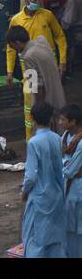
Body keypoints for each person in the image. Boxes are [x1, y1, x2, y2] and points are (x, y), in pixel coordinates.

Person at [21, 99, 66, 258]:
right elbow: (61, 168)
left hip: (40, 196)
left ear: (33, 118)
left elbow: (31, 175)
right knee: (55, 238)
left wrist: (24, 191)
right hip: (56, 193)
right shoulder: (56, 138)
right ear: (50, 118)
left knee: (36, 238)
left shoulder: (33, 142)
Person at [10, 25, 66, 142]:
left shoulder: (28, 56)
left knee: (48, 138)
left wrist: (38, 109)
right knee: (62, 135)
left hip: (46, 103)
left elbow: (36, 86)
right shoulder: (42, 42)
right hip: (58, 95)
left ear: (18, 42)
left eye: (12, 45)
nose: (12, 48)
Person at [7, 0, 67, 82]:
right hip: (28, 63)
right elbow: (11, 47)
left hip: (48, 61)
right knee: (31, 93)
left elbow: (60, 36)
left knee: (50, 92)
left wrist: (63, 61)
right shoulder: (16, 20)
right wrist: (10, 71)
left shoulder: (48, 15)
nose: (37, 1)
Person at [60, 103, 82, 257]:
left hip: (77, 189)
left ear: (73, 122)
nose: (60, 122)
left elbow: (71, 171)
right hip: (67, 188)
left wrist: (64, 165)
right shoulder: (65, 137)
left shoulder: (80, 143)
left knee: (77, 229)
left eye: (63, 119)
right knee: (68, 228)